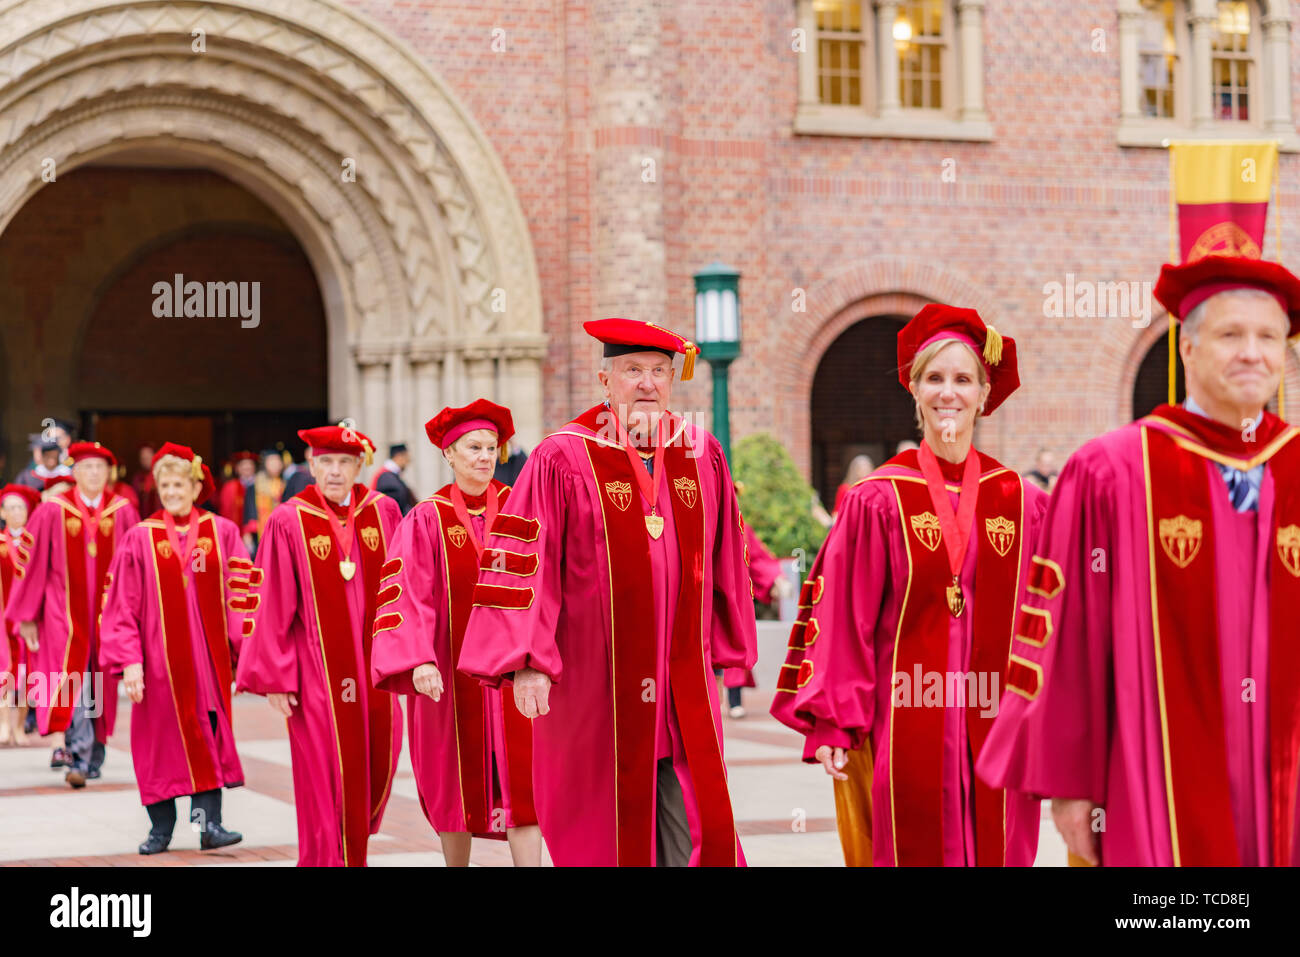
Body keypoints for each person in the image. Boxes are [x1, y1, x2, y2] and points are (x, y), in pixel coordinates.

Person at [978, 251, 1300, 867]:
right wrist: (1072, 786)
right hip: (1151, 777)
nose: (1253, 353)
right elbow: (1064, 635)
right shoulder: (1114, 471)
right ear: (1188, 349)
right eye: (1231, 334)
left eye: (1269, 337)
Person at [458, 318, 757, 867]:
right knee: (605, 827)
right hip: (598, 686)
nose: (647, 383)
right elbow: (527, 561)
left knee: (698, 823)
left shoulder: (699, 452)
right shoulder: (563, 458)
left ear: (672, 381)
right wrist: (527, 660)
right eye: (632, 371)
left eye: (659, 372)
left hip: (681, 681)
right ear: (605, 381)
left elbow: (727, 554)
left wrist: (729, 645)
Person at [770, 304, 1048, 867]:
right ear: (915, 390)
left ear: (984, 393)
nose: (949, 393)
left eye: (963, 379)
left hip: (998, 722)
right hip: (905, 722)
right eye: (935, 378)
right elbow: (845, 616)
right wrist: (834, 721)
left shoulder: (1021, 502)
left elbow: (1050, 620)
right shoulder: (877, 499)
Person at [371, 400, 540, 866]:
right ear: (449, 453)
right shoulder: (427, 518)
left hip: (513, 673)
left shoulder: (519, 510)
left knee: (525, 785)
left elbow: (546, 588)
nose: (485, 456)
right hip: (447, 671)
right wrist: (419, 658)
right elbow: (406, 591)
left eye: (491, 447)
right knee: (452, 783)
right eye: (473, 447)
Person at [235, 423, 402, 866]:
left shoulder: (382, 512)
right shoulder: (289, 520)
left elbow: (403, 588)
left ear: (357, 465)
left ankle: (351, 856)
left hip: (375, 676)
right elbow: (270, 603)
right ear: (311, 465)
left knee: (369, 775)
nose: (334, 471)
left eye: (343, 462)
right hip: (316, 676)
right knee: (321, 781)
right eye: (325, 462)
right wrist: (275, 676)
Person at [98, 444, 246, 855]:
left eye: (179, 484)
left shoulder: (222, 533)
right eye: (165, 484)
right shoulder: (140, 538)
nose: (172, 491)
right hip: (157, 666)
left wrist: (242, 655)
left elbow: (241, 596)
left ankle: (208, 826)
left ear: (195, 486)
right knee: (157, 747)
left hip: (208, 667)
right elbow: (122, 605)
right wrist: (130, 662)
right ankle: (160, 831)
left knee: (208, 738)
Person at [6, 441, 140, 786]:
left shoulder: (123, 510)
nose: (93, 473)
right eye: (87, 468)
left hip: (110, 614)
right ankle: (79, 753)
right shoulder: (53, 510)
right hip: (62, 615)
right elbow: (33, 565)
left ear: (108, 473)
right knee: (74, 682)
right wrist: (27, 615)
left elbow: (137, 567)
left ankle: (92, 753)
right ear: (75, 473)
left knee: (101, 684)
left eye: (99, 468)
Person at [0, 484, 40, 746]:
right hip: (3, 617)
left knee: (28, 672)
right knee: (4, 669)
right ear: (2, 512)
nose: (16, 512)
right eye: (11, 507)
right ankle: (4, 725)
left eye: (21, 507)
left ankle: (20, 726)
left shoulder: (35, 542)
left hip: (29, 617)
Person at [370, 443, 415, 515]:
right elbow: (393, 509)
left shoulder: (390, 476)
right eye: (407, 458)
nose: (408, 462)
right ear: (398, 456)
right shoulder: (386, 478)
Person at [130, 443, 160, 518]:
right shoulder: (137, 478)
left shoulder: (162, 476)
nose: (145, 459)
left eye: (148, 456)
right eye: (143, 457)